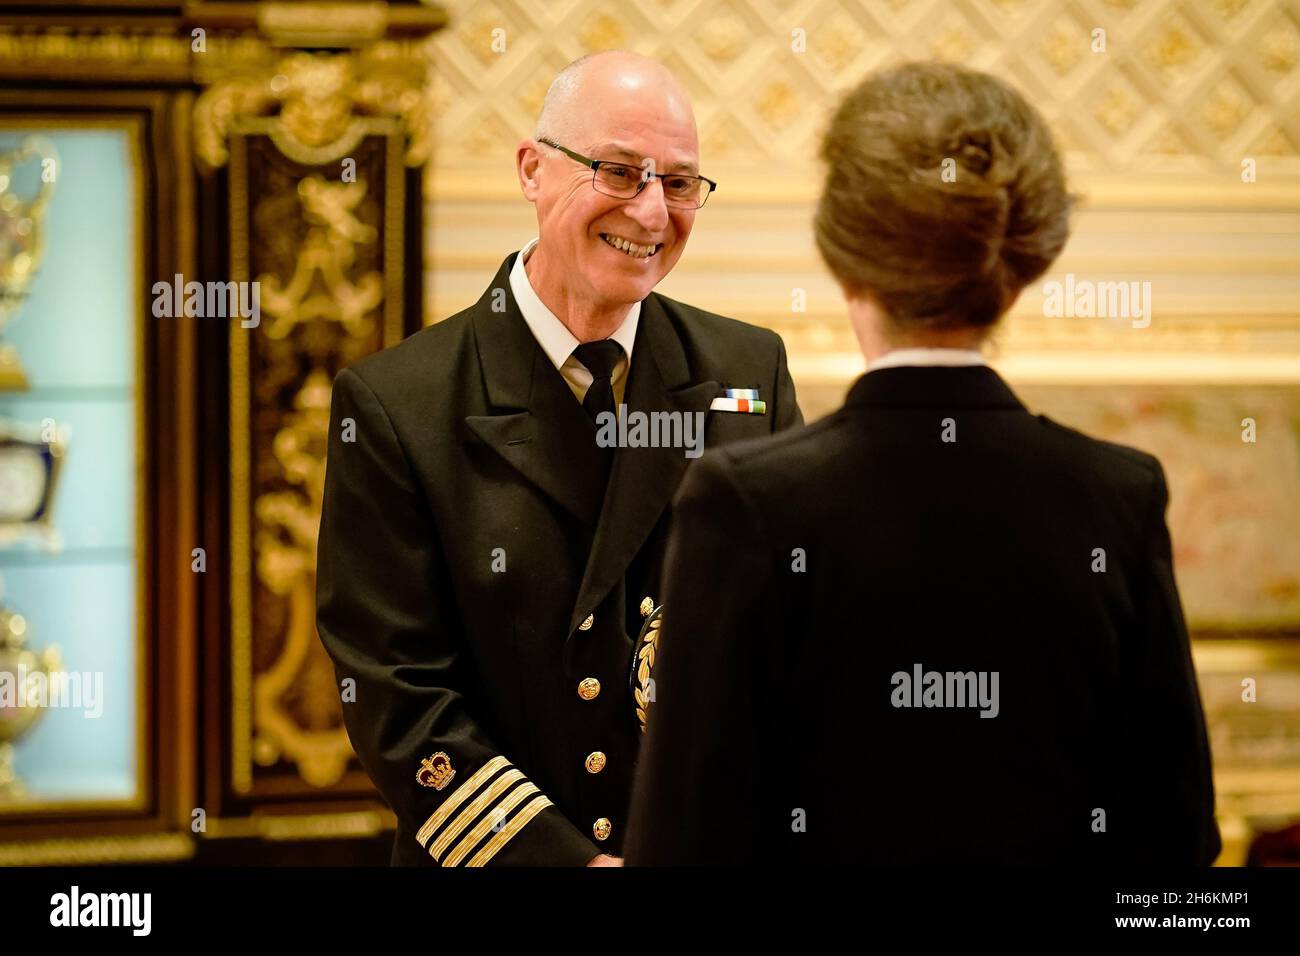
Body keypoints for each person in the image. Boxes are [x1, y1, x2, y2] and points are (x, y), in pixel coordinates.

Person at [624, 62, 1220, 866]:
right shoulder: (1118, 494)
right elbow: (1175, 837)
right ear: (1015, 272)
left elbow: (686, 844)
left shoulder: (747, 502)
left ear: (844, 259)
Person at [315, 50, 801, 867]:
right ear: (533, 171)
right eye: (619, 172)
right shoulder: (398, 405)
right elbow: (398, 694)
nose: (651, 213)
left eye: (680, 183)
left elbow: (791, 640)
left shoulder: (747, 375)